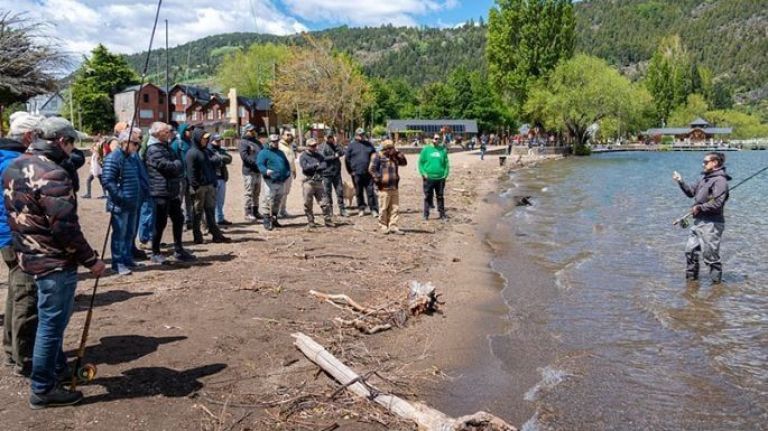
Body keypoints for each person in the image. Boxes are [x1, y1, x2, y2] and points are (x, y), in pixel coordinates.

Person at [3, 116, 107, 409]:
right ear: (62, 141)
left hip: (28, 257)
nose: (73, 149)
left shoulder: (14, 166)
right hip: (53, 263)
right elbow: (65, 228)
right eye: (72, 142)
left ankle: (57, 370)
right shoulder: (53, 174)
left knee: (47, 322)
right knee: (51, 325)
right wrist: (91, 261)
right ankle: (43, 389)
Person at [1, 113, 42, 376]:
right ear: (28, 136)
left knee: (15, 292)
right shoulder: (15, 163)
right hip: (15, 236)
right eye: (37, 135)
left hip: (6, 236)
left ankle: (10, 349)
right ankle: (24, 357)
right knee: (26, 295)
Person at [673, 152, 731, 283]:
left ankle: (716, 288)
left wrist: (699, 207)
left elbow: (717, 203)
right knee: (690, 252)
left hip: (712, 223)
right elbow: (690, 193)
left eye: (705, 162)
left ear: (715, 163)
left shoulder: (720, 181)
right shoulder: (704, 178)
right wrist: (680, 181)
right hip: (698, 222)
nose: (703, 164)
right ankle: (691, 284)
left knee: (710, 256)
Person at [145, 122, 196, 263]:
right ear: (157, 133)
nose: (170, 133)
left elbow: (179, 162)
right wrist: (177, 165)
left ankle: (179, 250)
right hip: (160, 191)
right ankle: (155, 252)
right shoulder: (153, 149)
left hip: (171, 191)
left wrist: (177, 165)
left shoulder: (166, 147)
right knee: (159, 223)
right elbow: (167, 166)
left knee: (178, 219)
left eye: (169, 131)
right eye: (166, 131)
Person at [101, 128, 148, 276]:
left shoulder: (131, 158)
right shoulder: (113, 158)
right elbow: (108, 181)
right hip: (120, 205)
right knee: (119, 235)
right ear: (124, 143)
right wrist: (121, 196)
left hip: (133, 203)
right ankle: (117, 263)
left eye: (137, 143)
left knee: (129, 234)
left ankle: (127, 258)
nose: (136, 146)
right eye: (134, 143)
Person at [186, 129, 230, 244]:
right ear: (197, 139)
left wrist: (213, 181)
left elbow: (211, 166)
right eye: (203, 138)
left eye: (206, 138)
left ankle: (216, 235)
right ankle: (197, 237)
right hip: (199, 188)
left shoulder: (205, 151)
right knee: (197, 213)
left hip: (209, 186)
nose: (206, 140)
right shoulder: (192, 153)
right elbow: (190, 173)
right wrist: (195, 186)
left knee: (210, 212)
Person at [369, 140, 407, 235]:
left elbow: (404, 162)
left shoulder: (394, 157)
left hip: (394, 186)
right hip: (383, 187)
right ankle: (383, 225)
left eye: (392, 148)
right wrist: (379, 180)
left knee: (395, 208)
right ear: (385, 149)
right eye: (390, 148)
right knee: (383, 208)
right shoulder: (377, 156)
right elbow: (371, 169)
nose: (392, 150)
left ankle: (393, 225)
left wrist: (398, 152)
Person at [257, 134, 292, 231]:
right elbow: (260, 164)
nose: (276, 143)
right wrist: (266, 171)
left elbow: (286, 164)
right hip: (270, 181)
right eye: (273, 141)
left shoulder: (280, 152)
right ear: (269, 142)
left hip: (281, 180)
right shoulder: (264, 153)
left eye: (277, 141)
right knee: (268, 200)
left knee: (278, 200)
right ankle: (266, 220)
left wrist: (287, 174)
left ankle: (274, 218)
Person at [299, 139, 334, 228]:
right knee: (308, 203)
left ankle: (328, 220)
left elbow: (324, 165)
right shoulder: (303, 156)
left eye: (315, 145)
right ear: (307, 146)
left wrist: (316, 166)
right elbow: (305, 168)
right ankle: (311, 221)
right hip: (308, 182)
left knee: (325, 203)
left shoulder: (319, 155)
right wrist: (316, 165)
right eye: (312, 146)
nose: (314, 147)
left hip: (318, 182)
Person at [344, 128, 378, 217]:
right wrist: (350, 171)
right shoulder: (351, 146)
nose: (361, 136)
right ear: (356, 135)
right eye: (359, 135)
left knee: (370, 192)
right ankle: (361, 208)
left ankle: (373, 209)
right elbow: (347, 159)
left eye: (362, 134)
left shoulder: (369, 145)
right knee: (359, 192)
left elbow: (375, 156)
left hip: (368, 173)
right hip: (356, 173)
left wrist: (374, 169)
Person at [419, 133, 450, 221]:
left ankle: (442, 214)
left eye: (439, 139)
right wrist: (423, 173)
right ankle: (426, 214)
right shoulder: (426, 149)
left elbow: (446, 163)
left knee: (440, 196)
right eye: (436, 139)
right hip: (429, 178)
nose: (437, 140)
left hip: (440, 178)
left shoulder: (442, 150)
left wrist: (446, 173)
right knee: (428, 196)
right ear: (432, 139)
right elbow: (420, 163)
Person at [171, 124, 195, 230]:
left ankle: (188, 220)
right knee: (179, 201)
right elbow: (172, 158)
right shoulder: (177, 144)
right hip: (180, 177)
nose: (191, 131)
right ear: (183, 131)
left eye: (192, 130)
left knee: (189, 201)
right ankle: (178, 221)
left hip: (190, 176)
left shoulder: (191, 143)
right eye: (189, 130)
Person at [238, 124, 263, 222]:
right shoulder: (243, 142)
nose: (253, 132)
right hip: (249, 172)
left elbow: (262, 153)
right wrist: (257, 163)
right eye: (250, 130)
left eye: (253, 130)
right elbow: (245, 157)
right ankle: (248, 213)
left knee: (257, 193)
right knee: (249, 193)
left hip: (258, 171)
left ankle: (255, 211)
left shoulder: (257, 142)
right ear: (245, 131)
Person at [319, 134, 348, 217]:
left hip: (336, 172)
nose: (330, 139)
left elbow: (342, 152)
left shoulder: (335, 145)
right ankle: (330, 210)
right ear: (325, 138)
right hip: (326, 173)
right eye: (328, 137)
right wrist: (334, 156)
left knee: (340, 191)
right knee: (327, 192)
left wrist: (336, 145)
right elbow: (322, 157)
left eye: (331, 137)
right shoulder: (322, 146)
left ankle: (342, 209)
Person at [210, 134, 233, 225]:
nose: (219, 142)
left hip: (222, 178)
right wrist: (220, 158)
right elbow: (211, 161)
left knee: (221, 200)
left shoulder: (221, 150)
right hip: (213, 179)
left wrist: (219, 158)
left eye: (219, 141)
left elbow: (229, 159)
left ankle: (220, 218)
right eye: (217, 141)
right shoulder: (209, 150)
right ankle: (213, 220)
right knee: (213, 201)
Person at [278, 132, 297, 218]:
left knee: (286, 192)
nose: (290, 136)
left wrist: (294, 170)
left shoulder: (290, 146)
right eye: (287, 134)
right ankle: (277, 211)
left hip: (289, 172)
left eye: (290, 135)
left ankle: (283, 210)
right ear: (282, 136)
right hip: (282, 172)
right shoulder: (279, 146)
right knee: (280, 192)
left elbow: (292, 159)